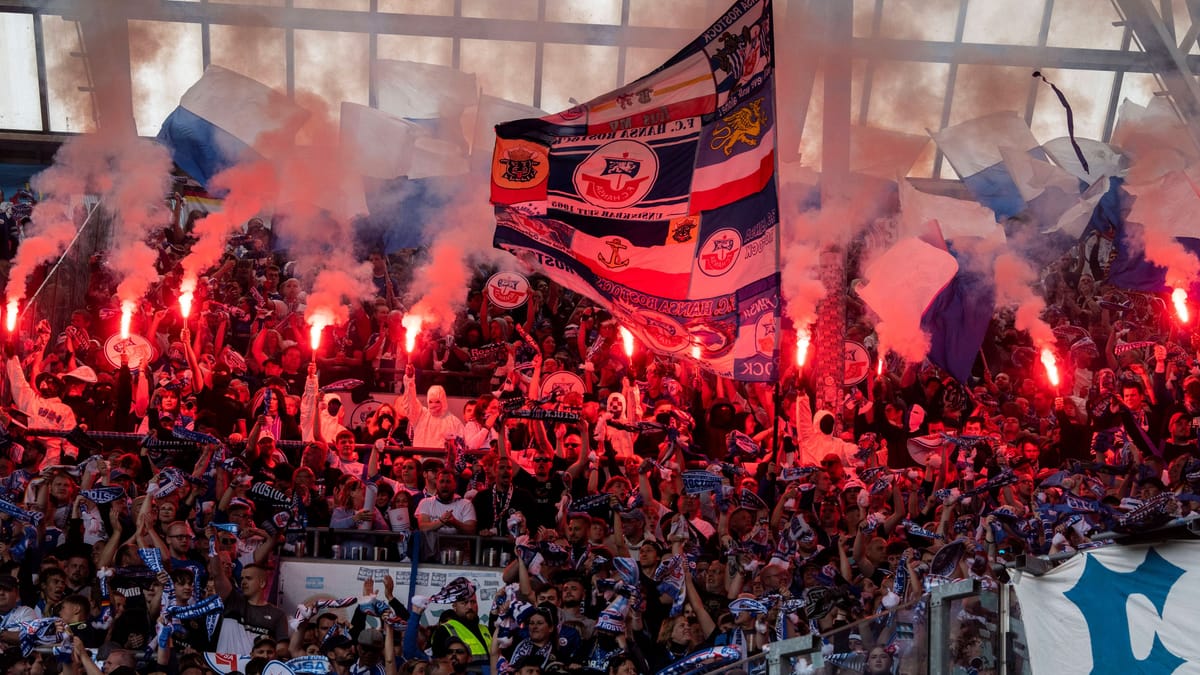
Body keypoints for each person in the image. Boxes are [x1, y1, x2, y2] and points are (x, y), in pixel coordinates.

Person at [401, 364, 465, 447]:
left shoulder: (454, 422)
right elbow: (410, 402)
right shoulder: (421, 416)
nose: (434, 405)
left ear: (443, 401)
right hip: (421, 458)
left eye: (437, 402)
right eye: (430, 402)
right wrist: (409, 379)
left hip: (444, 459)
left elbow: (461, 447)